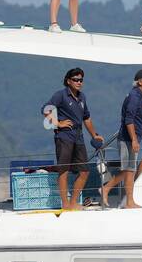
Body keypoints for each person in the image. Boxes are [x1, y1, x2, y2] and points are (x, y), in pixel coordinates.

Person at [43, 68, 104, 211]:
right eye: (76, 80)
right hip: (64, 137)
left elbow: (86, 118)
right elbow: (46, 109)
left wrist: (94, 135)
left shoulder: (82, 97)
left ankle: (73, 203)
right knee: (63, 170)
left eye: (81, 80)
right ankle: (65, 204)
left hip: (79, 137)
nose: (79, 82)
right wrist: (58, 123)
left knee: (84, 171)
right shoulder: (61, 95)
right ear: (68, 81)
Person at [99, 70, 142, 210]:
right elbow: (129, 120)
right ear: (140, 81)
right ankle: (115, 193)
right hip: (128, 139)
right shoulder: (134, 96)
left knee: (129, 170)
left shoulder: (141, 96)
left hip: (133, 138)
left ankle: (126, 200)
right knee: (129, 170)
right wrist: (134, 140)